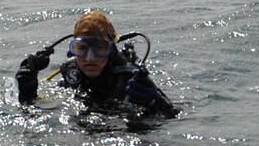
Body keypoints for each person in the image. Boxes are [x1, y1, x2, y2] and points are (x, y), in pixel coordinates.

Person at [14, 10, 179, 120]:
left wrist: (154, 102)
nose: (90, 58)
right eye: (82, 48)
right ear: (74, 50)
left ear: (111, 49)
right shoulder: (72, 75)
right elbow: (38, 112)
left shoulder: (130, 78)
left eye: (100, 48)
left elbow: (175, 117)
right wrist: (28, 92)